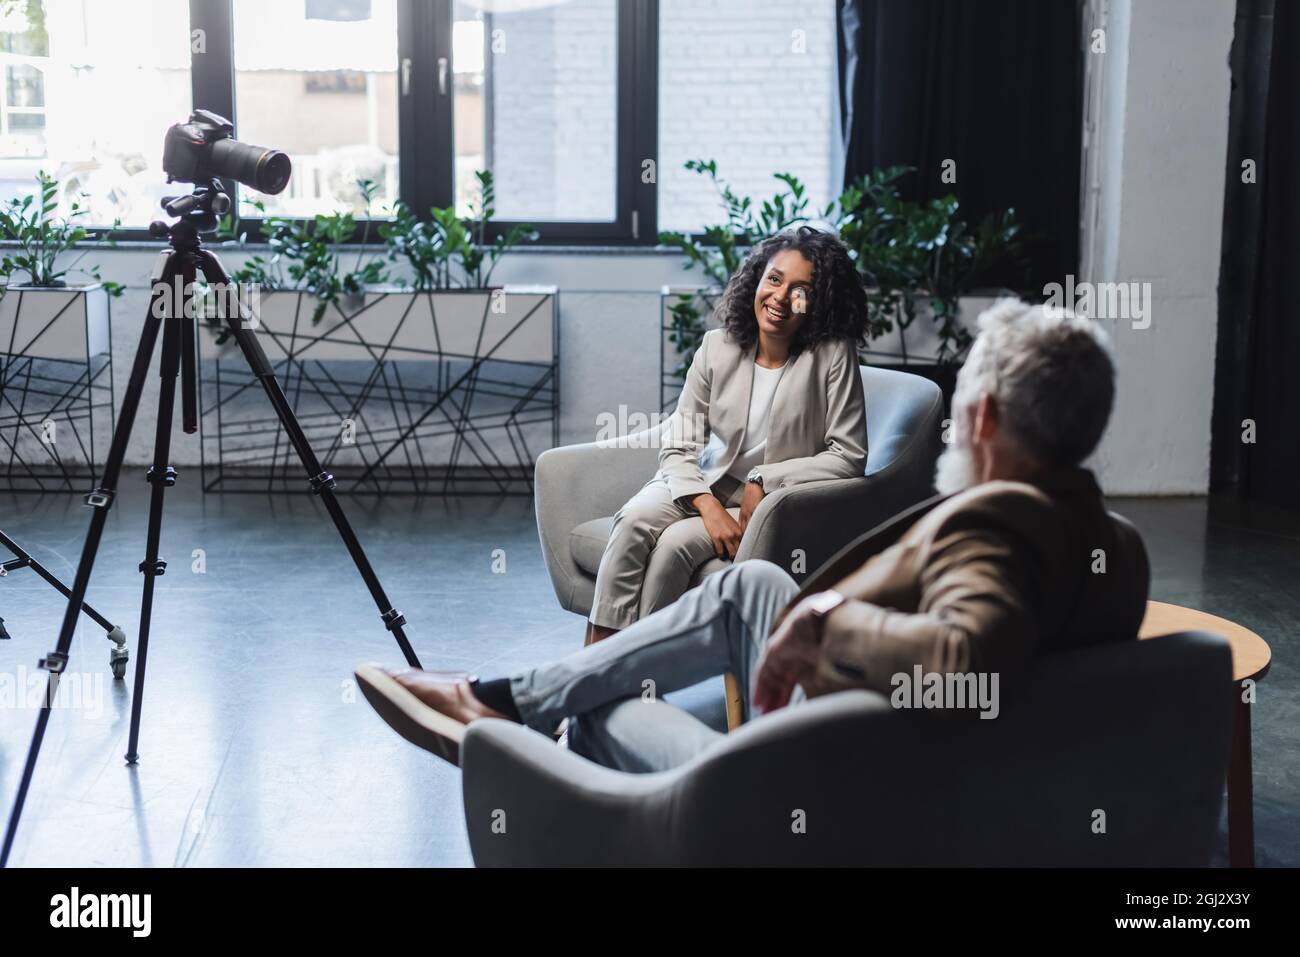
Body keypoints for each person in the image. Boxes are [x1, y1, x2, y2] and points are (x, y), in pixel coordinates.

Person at [356, 298, 1150, 772]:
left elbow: (967, 659)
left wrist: (828, 621)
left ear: (980, 416)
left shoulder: (996, 528)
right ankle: (506, 700)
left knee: (596, 707)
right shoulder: (1114, 542)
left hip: (833, 786)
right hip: (888, 742)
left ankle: (508, 728)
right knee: (756, 585)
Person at [581, 225, 869, 645]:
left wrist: (763, 479)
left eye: (800, 290)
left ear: (819, 301)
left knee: (672, 549)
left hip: (770, 504)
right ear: (757, 279)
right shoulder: (718, 346)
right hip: (703, 483)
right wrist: (706, 505)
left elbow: (848, 455)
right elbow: (679, 444)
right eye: (774, 279)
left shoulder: (832, 355)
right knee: (631, 523)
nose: (781, 298)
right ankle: (593, 669)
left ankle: (637, 676)